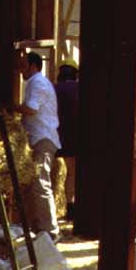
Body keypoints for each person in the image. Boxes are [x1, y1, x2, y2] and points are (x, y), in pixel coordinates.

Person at [12, 51, 62, 241]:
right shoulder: (35, 83)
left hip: (43, 138)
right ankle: (38, 227)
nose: (20, 70)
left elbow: (31, 109)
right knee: (35, 184)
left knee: (41, 183)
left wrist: (11, 107)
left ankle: (51, 231)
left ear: (33, 66)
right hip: (39, 138)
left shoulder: (38, 83)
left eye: (23, 66)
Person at [53, 60, 79, 217]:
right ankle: (73, 206)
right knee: (74, 173)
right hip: (76, 136)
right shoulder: (80, 88)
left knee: (64, 172)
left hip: (58, 135)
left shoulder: (53, 89)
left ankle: (63, 207)